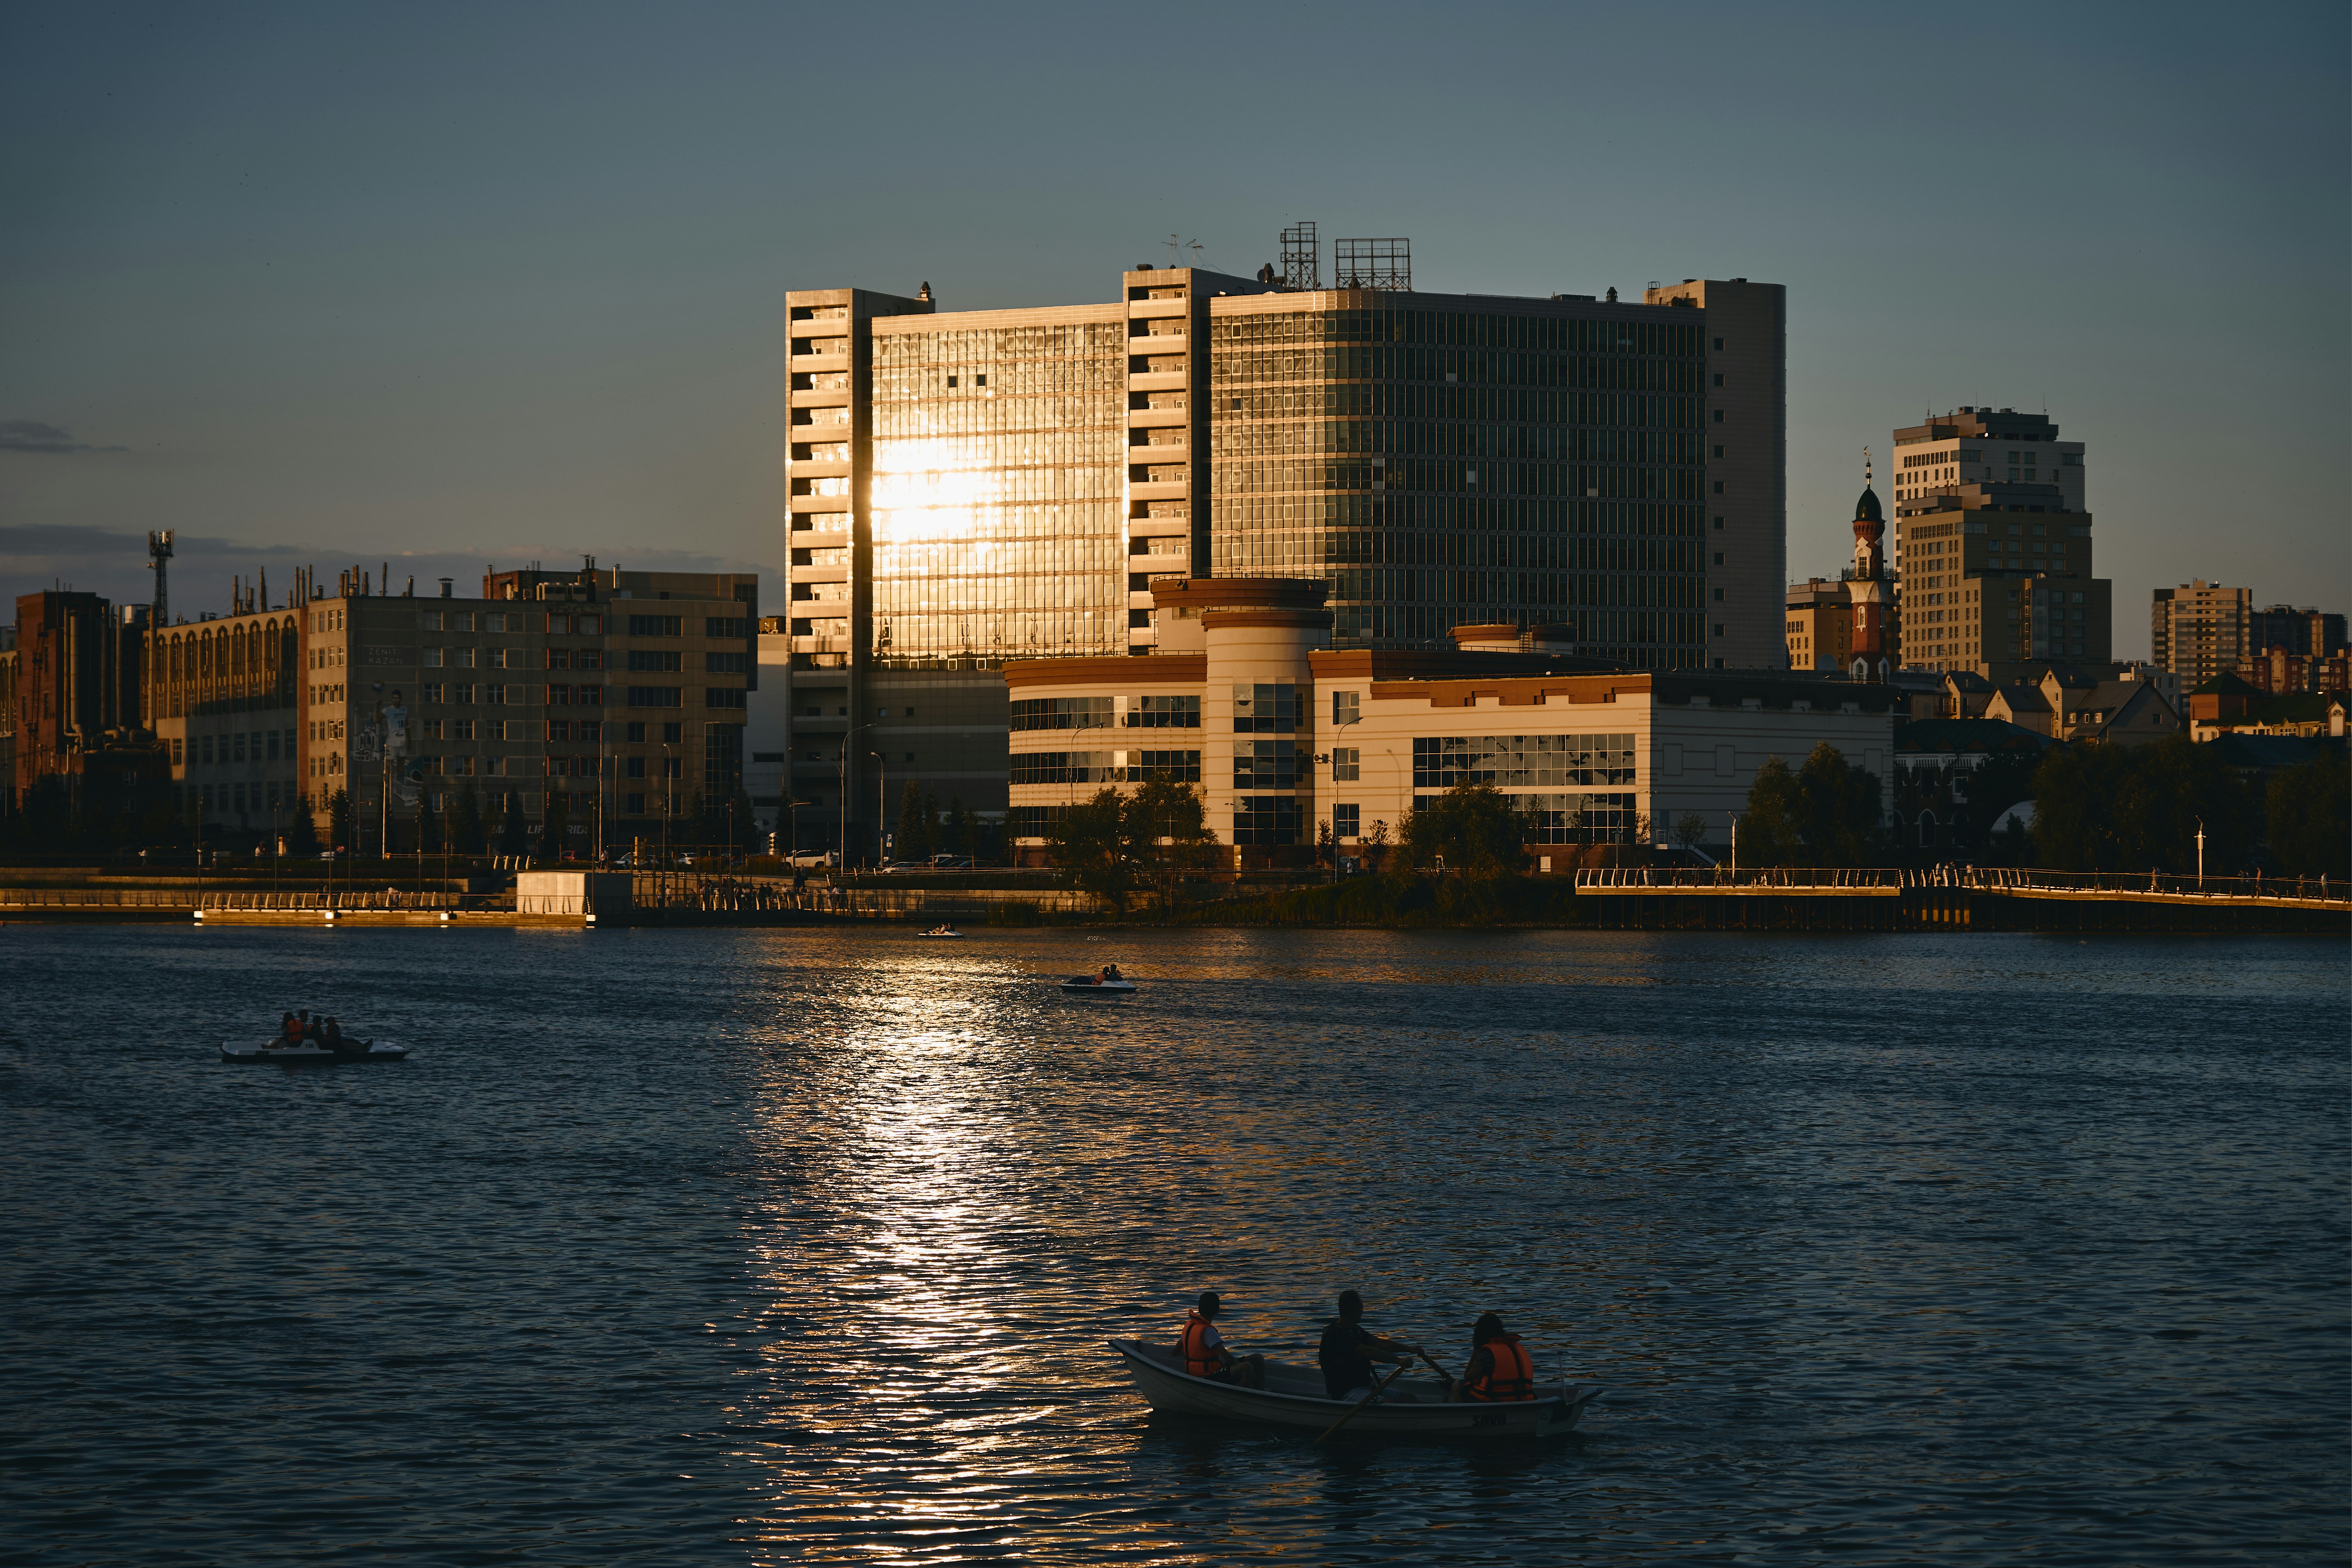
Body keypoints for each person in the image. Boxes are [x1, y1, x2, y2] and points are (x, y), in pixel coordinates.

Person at [1317, 1289, 1418, 1401]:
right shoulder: (1335, 1333)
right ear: (1352, 1310)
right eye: (1361, 1309)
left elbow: (1380, 1343)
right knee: (1388, 1404)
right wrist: (1398, 1361)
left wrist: (1410, 1349)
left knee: (1410, 1399)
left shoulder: (1356, 1330)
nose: (1363, 1312)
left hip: (1368, 1387)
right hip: (1346, 1391)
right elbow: (1367, 1351)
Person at [1174, 1291, 1264, 1388]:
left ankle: (1260, 1391)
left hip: (1208, 1370)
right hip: (1206, 1376)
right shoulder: (1208, 1332)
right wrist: (1249, 1374)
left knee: (1257, 1358)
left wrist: (1194, 1352)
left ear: (1199, 1309)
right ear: (1217, 1310)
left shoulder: (1190, 1327)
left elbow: (1175, 1352)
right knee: (1247, 1368)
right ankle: (1245, 1398)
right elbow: (1228, 1358)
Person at [1456, 1312, 1536, 1402]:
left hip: (1495, 1400)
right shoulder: (1519, 1349)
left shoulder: (1488, 1353)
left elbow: (1468, 1377)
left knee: (1457, 1385)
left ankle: (1466, 1415)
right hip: (1524, 1399)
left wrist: (1476, 1349)